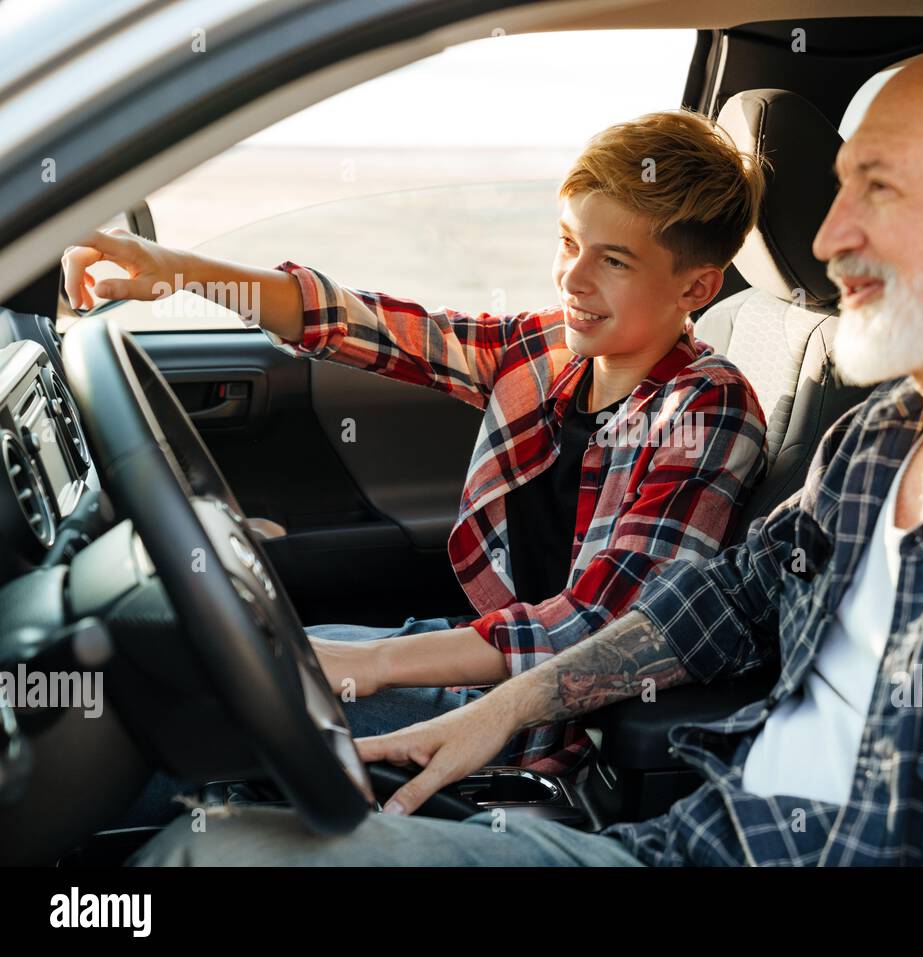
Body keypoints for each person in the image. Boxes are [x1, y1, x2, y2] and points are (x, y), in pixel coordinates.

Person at [135, 37, 923, 867]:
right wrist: (505, 702)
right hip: (681, 836)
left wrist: (452, 691)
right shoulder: (879, 441)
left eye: (874, 191)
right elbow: (713, 604)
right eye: (836, 192)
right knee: (203, 816)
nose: (827, 239)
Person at [64, 110, 769, 808]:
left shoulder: (706, 409)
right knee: (190, 665)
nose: (572, 279)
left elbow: (600, 629)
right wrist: (179, 271)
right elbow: (365, 326)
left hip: (545, 722)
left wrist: (373, 666)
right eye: (568, 242)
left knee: (166, 724)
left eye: (613, 260)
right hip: (465, 655)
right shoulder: (545, 348)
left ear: (696, 289)